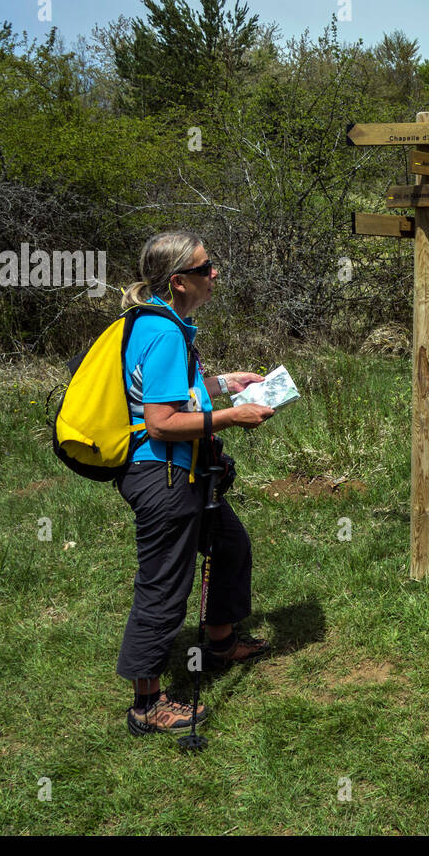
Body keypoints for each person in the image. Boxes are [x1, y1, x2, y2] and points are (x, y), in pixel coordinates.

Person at [114, 230, 276, 736]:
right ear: (179, 281)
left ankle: (221, 642)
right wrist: (232, 417)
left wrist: (226, 383)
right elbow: (161, 421)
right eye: (206, 268)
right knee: (163, 585)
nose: (215, 274)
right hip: (163, 475)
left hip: (181, 470)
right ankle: (147, 704)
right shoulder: (164, 333)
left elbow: (174, 394)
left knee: (229, 546)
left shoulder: (161, 321)